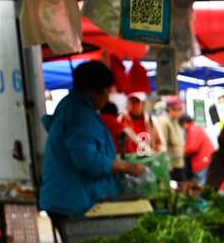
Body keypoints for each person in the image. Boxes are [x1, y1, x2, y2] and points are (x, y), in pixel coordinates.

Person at [39, 61, 144, 231]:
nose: (107, 97)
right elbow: (89, 162)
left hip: (66, 198)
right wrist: (126, 166)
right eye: (107, 92)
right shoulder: (80, 115)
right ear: (98, 91)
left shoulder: (72, 108)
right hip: (74, 201)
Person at [154, 96, 187, 182]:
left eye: (180, 109)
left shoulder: (175, 121)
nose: (180, 112)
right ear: (170, 109)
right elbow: (161, 145)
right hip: (171, 168)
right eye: (178, 109)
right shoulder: (163, 122)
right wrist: (167, 166)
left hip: (179, 164)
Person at [181, 114, 215, 183]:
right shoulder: (194, 128)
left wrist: (182, 151)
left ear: (184, 123)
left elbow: (192, 148)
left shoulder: (193, 130)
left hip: (203, 161)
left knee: (203, 183)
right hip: (205, 159)